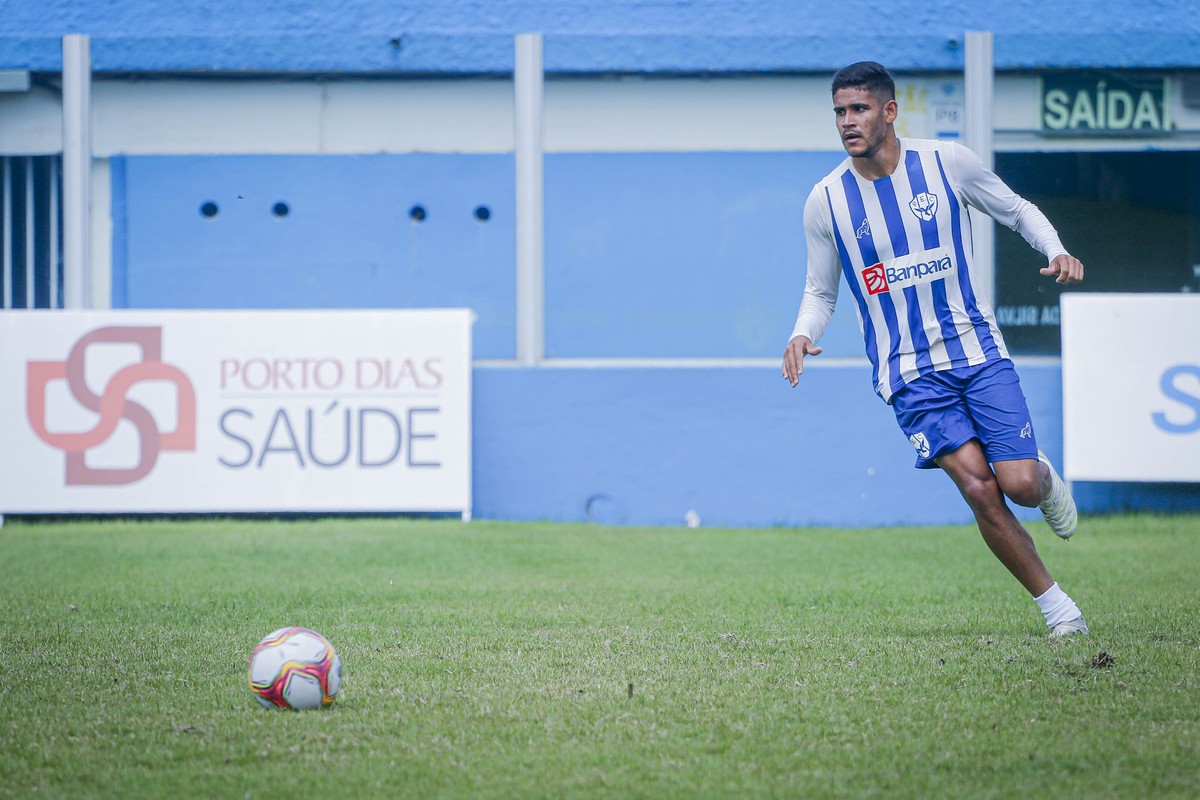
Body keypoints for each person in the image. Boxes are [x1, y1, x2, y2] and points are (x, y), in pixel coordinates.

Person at [781, 61, 1088, 637]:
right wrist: (803, 333)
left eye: (859, 109)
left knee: (1017, 484)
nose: (847, 122)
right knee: (977, 485)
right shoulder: (825, 201)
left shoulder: (948, 163)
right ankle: (1058, 609)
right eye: (840, 113)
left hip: (976, 351)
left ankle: (1042, 478)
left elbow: (1016, 209)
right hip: (909, 373)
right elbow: (820, 291)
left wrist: (1057, 248)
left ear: (889, 111)